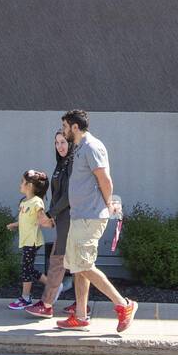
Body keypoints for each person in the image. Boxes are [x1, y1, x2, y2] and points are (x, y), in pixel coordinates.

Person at [53, 110, 136, 333]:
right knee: (78, 267)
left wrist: (109, 203)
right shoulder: (80, 148)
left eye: (65, 126)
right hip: (79, 216)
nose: (63, 130)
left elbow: (105, 179)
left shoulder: (92, 146)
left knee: (84, 265)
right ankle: (80, 316)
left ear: (75, 127)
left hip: (90, 217)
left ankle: (123, 305)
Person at [26, 130, 80, 318]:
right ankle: (81, 305)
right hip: (62, 219)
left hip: (71, 219)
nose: (59, 146)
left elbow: (69, 195)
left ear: (71, 143)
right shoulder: (61, 164)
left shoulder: (73, 163)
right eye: (56, 143)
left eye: (63, 142)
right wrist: (51, 215)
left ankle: (47, 304)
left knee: (58, 260)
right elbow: (57, 195)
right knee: (77, 264)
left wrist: (50, 214)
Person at [7, 170, 50, 309]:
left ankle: (26, 298)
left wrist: (47, 222)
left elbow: (42, 218)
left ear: (30, 185)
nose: (20, 184)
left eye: (22, 182)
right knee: (28, 268)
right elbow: (25, 221)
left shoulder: (36, 202)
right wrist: (14, 225)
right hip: (26, 240)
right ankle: (52, 285)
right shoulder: (24, 202)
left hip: (32, 240)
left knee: (26, 269)